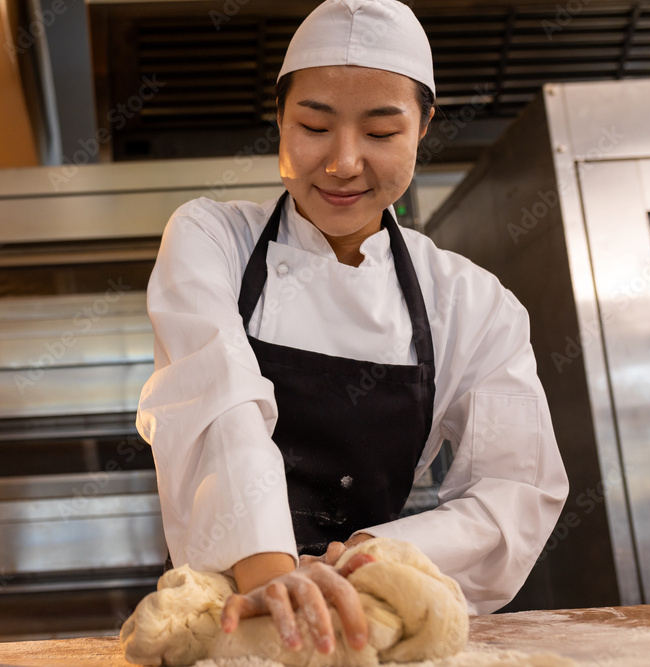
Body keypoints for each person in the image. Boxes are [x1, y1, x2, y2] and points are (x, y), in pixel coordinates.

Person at [135, 0, 569, 657]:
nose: (343, 162)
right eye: (314, 124)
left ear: (423, 126)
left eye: (381, 132)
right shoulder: (212, 238)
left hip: (368, 618)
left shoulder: (472, 302)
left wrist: (376, 556)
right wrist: (274, 574)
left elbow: (517, 487)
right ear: (279, 119)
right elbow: (215, 400)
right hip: (228, 614)